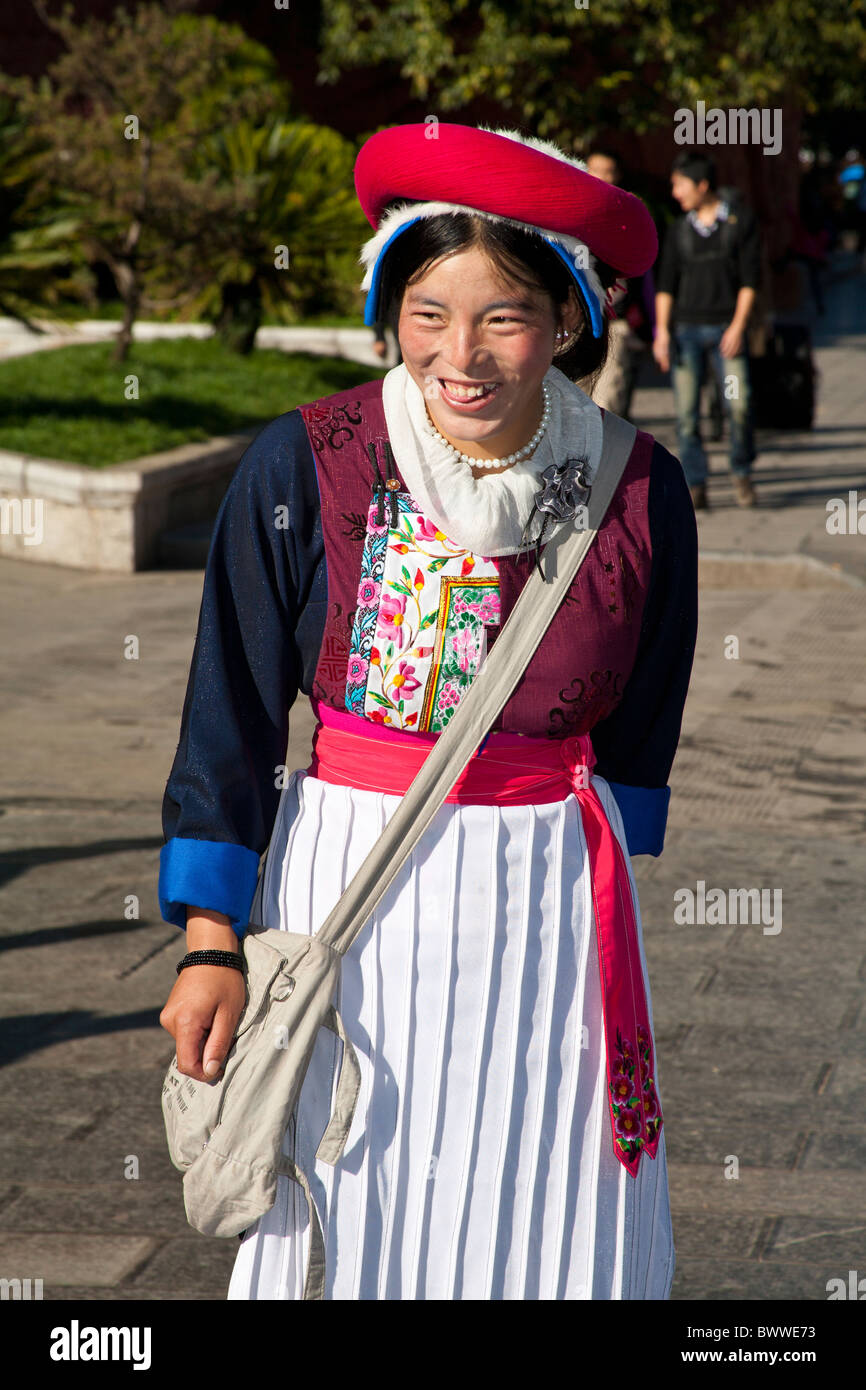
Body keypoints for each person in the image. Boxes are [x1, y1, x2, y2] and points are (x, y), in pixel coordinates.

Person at [158, 122, 698, 1301]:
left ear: (565, 323)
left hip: (549, 906)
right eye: (425, 313)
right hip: (356, 893)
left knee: (548, 1196)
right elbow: (232, 713)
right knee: (358, 1178)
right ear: (386, 314)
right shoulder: (308, 466)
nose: (461, 355)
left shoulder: (637, 487)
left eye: (503, 316)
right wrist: (211, 941)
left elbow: (641, 717)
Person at [653, 150, 761, 510]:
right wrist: (662, 334)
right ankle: (696, 483)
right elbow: (665, 284)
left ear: (702, 185)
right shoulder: (679, 230)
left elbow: (750, 280)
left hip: (725, 334)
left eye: (680, 185)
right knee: (687, 413)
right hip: (686, 334)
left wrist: (737, 327)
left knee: (739, 403)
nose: (675, 193)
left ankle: (741, 469)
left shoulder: (739, 223)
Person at [584, 149, 655, 421]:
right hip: (576, 322)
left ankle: (606, 461)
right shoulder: (570, 210)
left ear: (618, 175)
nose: (601, 176)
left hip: (616, 321)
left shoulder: (628, 213)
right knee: (574, 400)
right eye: (595, 168)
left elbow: (645, 273)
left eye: (608, 170)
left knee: (608, 402)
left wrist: (653, 328)